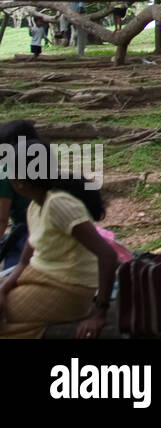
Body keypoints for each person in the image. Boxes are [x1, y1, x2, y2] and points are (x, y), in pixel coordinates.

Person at [0, 137, 118, 338]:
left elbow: (108, 255)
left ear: (19, 181)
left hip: (67, 289)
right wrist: (4, 287)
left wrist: (99, 313)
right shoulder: (36, 206)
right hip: (40, 276)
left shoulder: (58, 205)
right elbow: (24, 259)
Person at [0, 120, 38, 271]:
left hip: (23, 238)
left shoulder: (7, 172)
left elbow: (1, 220)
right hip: (52, 233)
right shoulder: (46, 164)